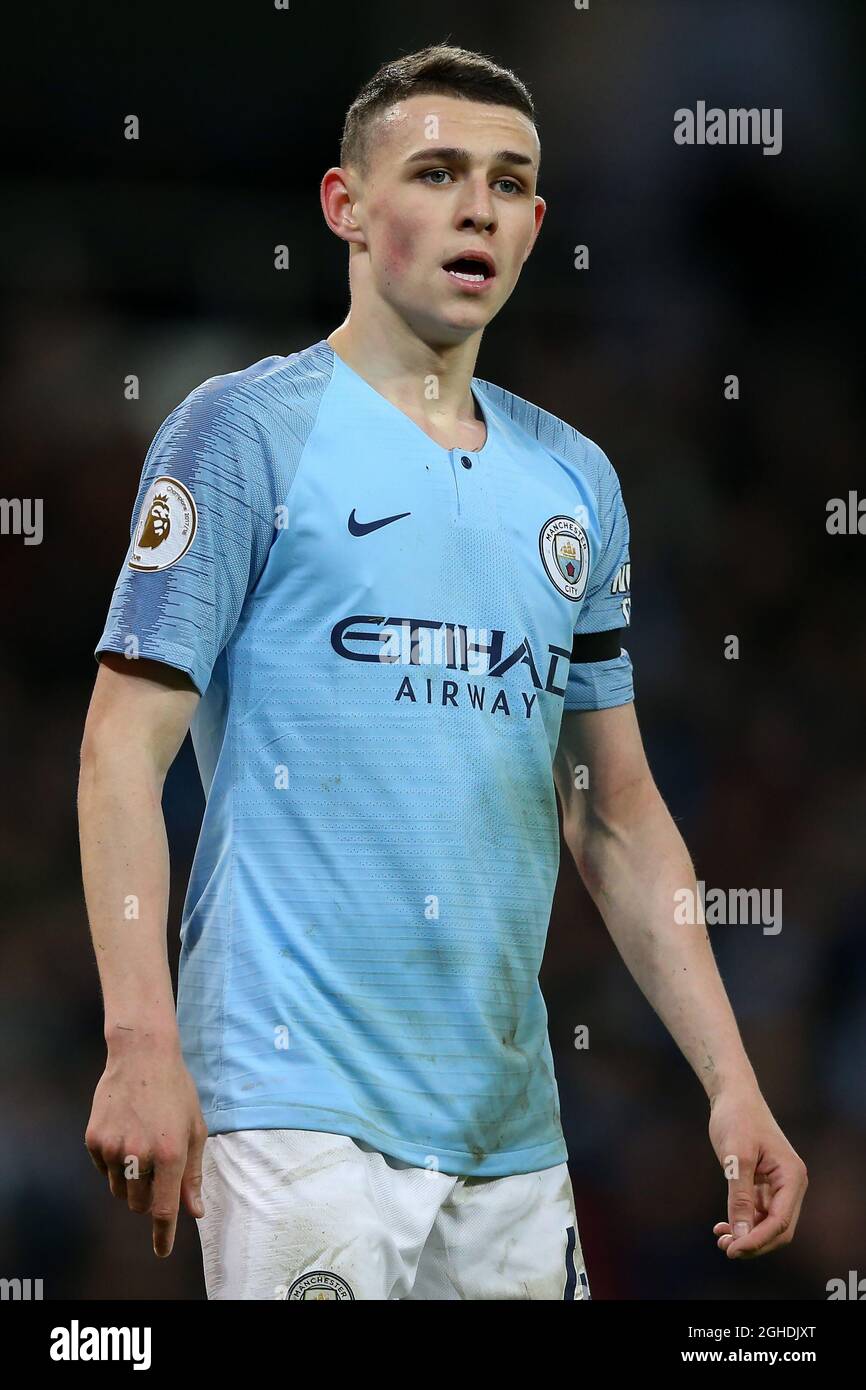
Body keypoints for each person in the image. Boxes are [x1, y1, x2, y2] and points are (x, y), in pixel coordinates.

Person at [79, 43, 807, 1300]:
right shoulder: (241, 433)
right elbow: (117, 755)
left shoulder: (574, 481)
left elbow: (615, 812)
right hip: (290, 1102)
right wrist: (141, 1039)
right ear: (345, 208)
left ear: (534, 224)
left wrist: (731, 1082)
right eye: (436, 170)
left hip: (509, 1141)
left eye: (509, 180)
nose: (478, 204)